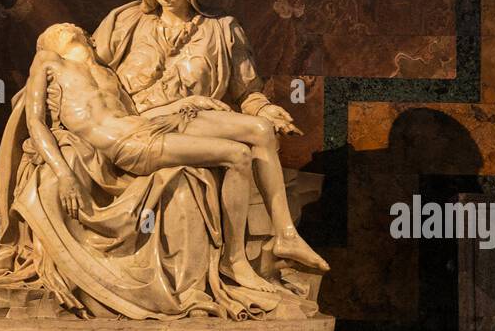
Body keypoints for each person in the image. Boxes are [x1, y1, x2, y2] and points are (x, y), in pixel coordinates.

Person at [26, 23, 328, 291]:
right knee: (236, 155)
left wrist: (188, 102)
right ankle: (234, 261)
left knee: (256, 134)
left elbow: (135, 115)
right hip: (127, 147)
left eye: (71, 27)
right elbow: (35, 121)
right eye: (58, 28)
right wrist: (63, 172)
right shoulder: (49, 61)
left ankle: (281, 238)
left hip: (144, 129)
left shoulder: (108, 75)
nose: (66, 27)